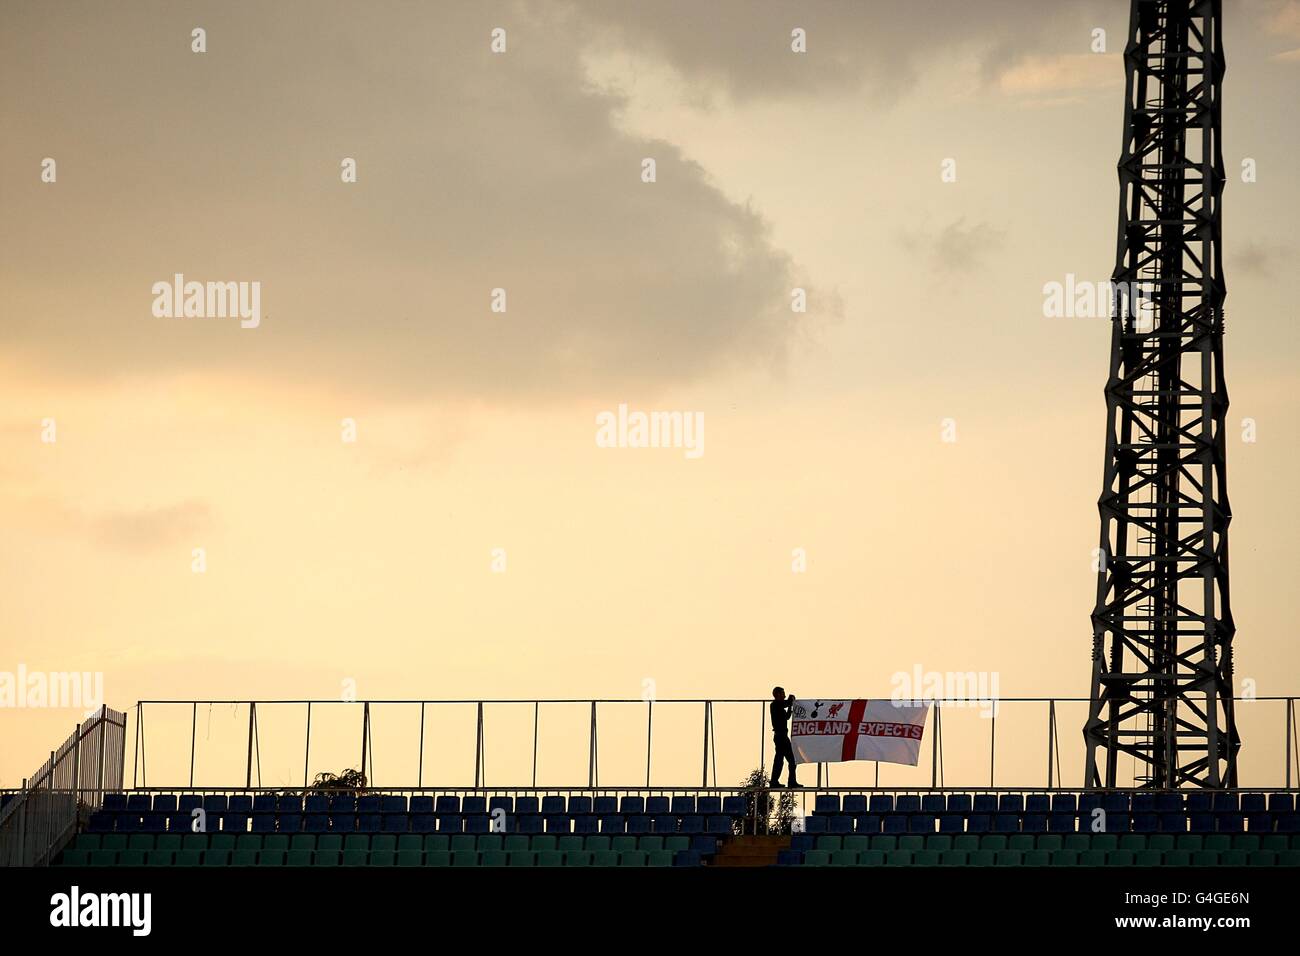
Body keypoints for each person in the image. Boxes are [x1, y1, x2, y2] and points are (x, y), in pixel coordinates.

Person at [769, 686, 801, 788]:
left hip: (781, 736)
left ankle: (776, 781)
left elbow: (786, 717)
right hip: (780, 736)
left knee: (782, 760)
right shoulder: (775, 705)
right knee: (788, 760)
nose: (784, 695)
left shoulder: (779, 706)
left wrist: (790, 705)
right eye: (783, 693)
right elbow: (785, 703)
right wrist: (790, 701)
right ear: (777, 694)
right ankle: (783, 781)